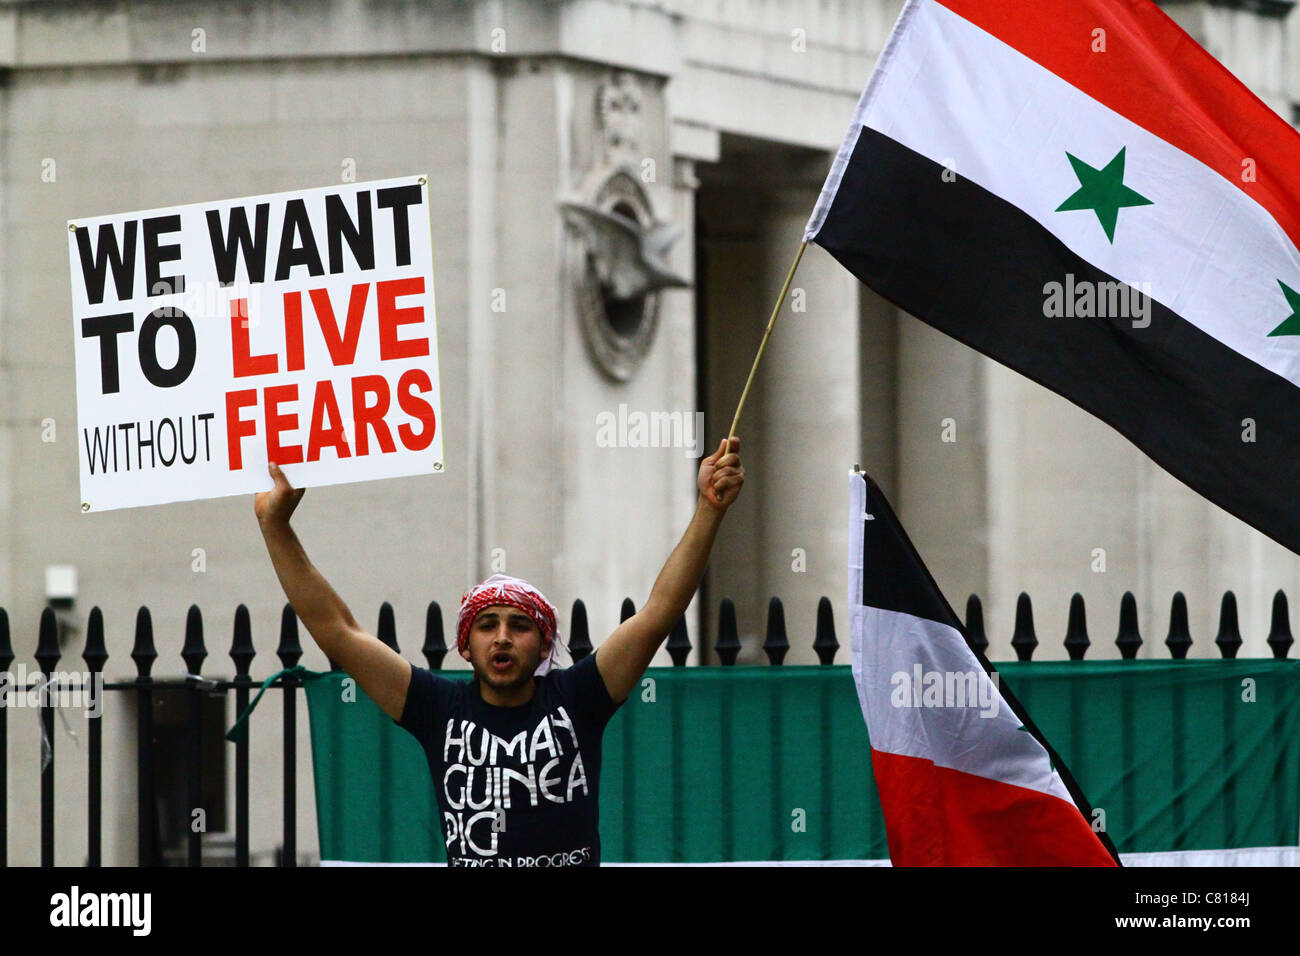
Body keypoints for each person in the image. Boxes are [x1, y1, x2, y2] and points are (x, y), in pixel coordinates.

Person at [254, 435, 745, 866]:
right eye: (487, 625)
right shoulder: (437, 708)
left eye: (520, 626)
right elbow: (339, 632)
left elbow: (659, 613)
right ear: (465, 647)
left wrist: (709, 509)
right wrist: (275, 526)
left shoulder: (579, 698)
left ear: (546, 644)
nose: (503, 637)